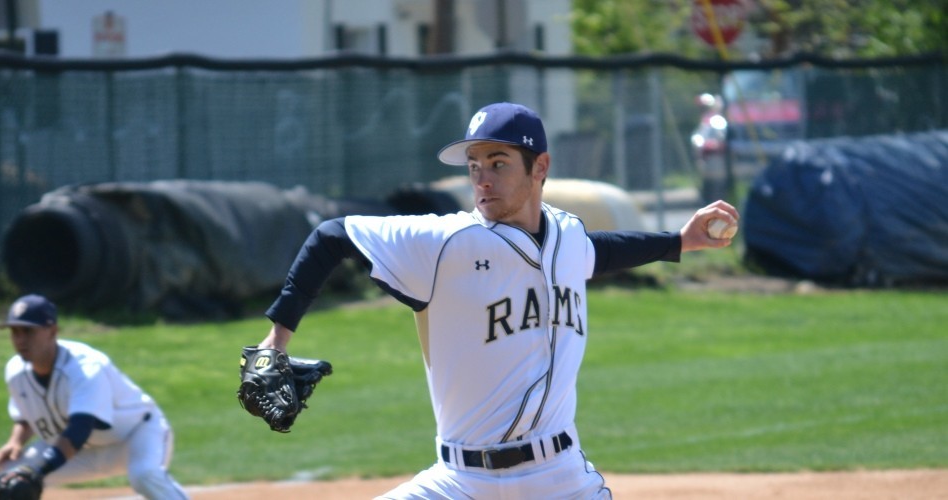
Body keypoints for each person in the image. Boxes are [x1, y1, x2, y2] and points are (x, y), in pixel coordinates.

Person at [256, 102, 739, 498]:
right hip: (459, 482)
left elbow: (601, 251)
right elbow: (331, 236)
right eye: (474, 166)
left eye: (498, 163)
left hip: (559, 480)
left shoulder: (568, 237)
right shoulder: (443, 244)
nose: (482, 178)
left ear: (541, 167)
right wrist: (277, 338)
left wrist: (679, 242)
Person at [0, 294, 188, 499]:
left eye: (28, 331)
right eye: (15, 332)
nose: (20, 340)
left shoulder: (85, 367)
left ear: (52, 331)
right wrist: (15, 441)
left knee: (145, 475)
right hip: (76, 453)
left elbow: (80, 428)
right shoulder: (16, 371)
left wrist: (39, 469)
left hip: (134, 436)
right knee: (7, 476)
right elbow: (27, 417)